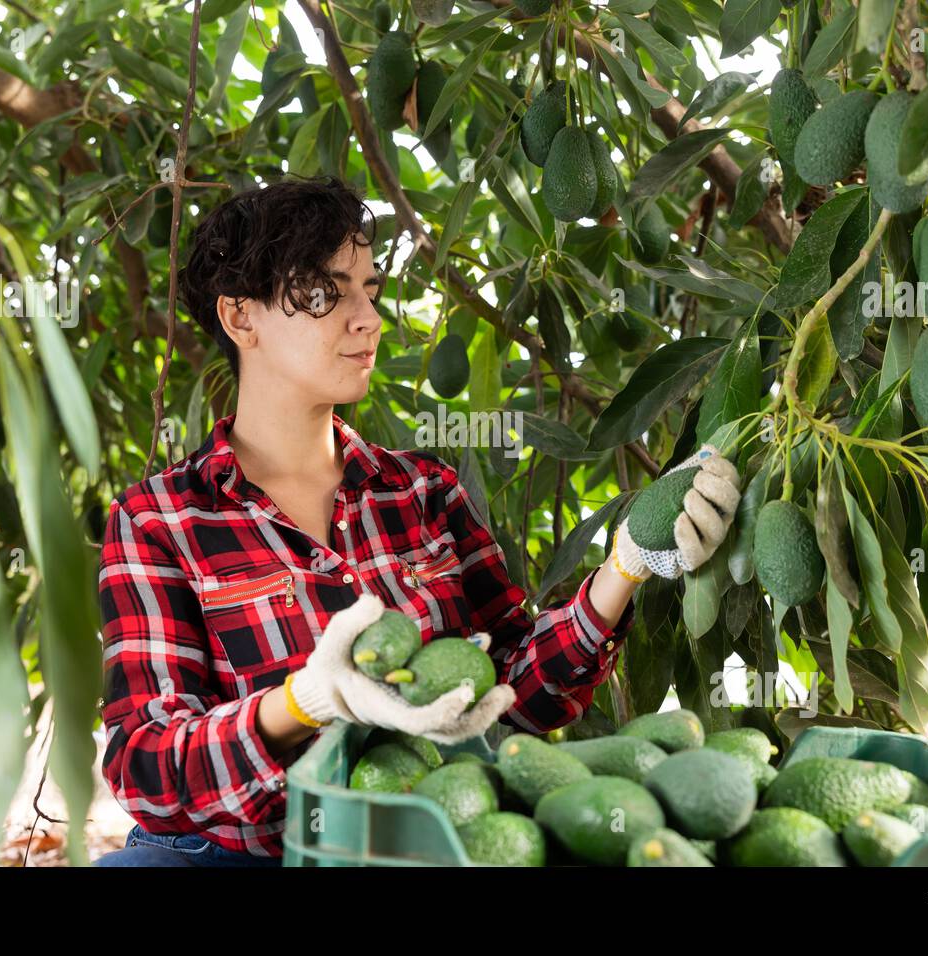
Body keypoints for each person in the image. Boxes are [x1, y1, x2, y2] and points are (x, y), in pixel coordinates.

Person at [93, 176, 740, 867]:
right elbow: (148, 766)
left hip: (420, 842)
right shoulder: (159, 519)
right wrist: (307, 701)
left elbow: (512, 698)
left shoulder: (422, 492)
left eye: (368, 290)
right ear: (240, 317)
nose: (367, 318)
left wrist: (627, 564)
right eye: (325, 291)